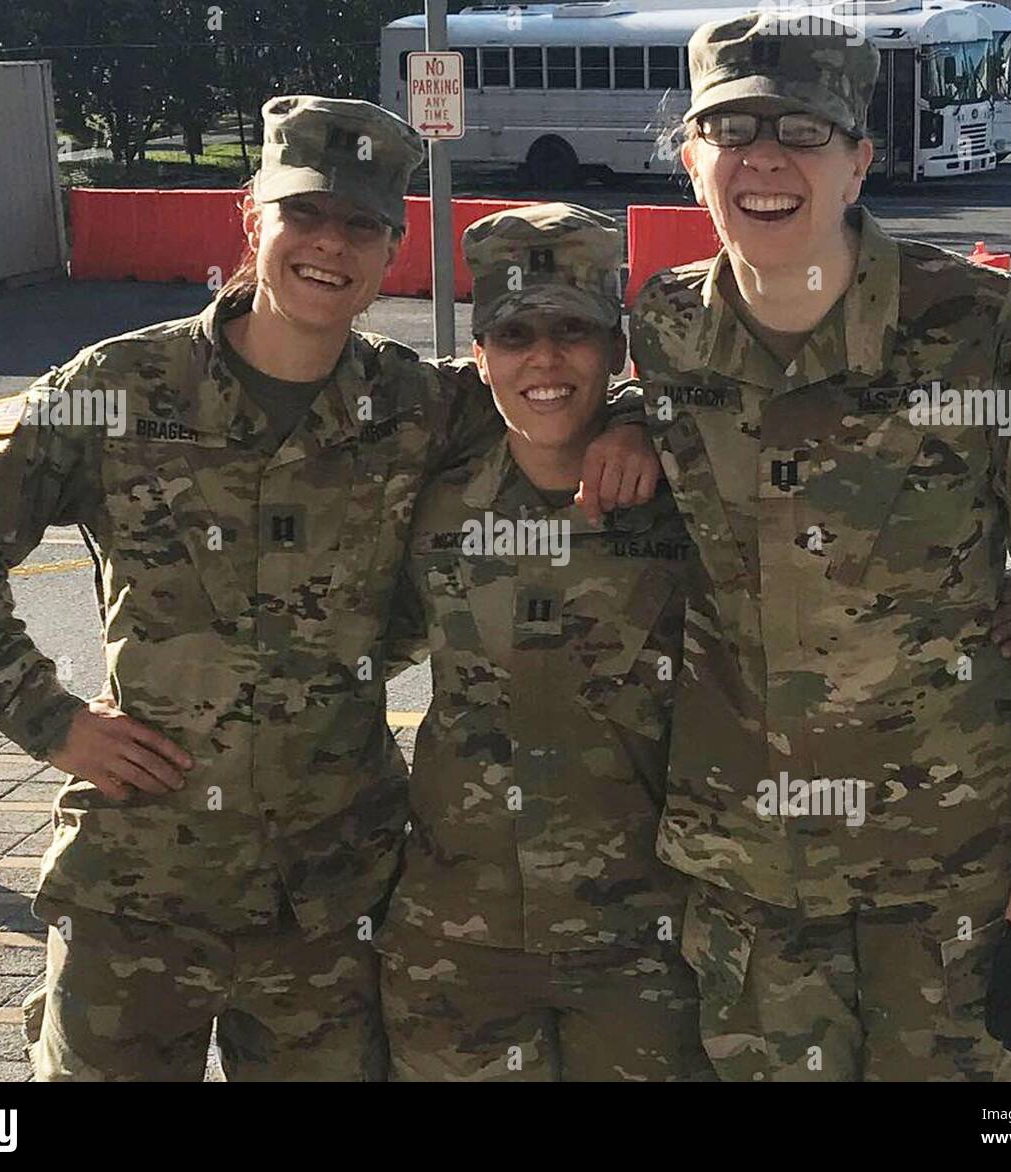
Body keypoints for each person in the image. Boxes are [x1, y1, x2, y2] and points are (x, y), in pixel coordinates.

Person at [0, 96, 652, 1082]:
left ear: (391, 250)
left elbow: (556, 381)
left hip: (327, 902)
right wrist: (49, 719)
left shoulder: (416, 403)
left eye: (361, 225)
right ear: (253, 217)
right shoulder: (116, 385)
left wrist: (630, 416)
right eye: (306, 213)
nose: (329, 244)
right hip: (140, 888)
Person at [629, 13, 1011, 1082]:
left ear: (858, 159)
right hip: (746, 867)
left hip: (945, 861)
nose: (764, 158)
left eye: (803, 131)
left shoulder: (987, 331)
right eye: (731, 129)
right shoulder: (665, 330)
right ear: (691, 161)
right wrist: (621, 426)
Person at [374, 203, 712, 1081]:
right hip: (460, 941)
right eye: (515, 333)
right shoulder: (430, 497)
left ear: (616, 350)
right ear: (478, 354)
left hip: (643, 941)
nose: (545, 359)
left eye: (574, 331)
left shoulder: (690, 496)